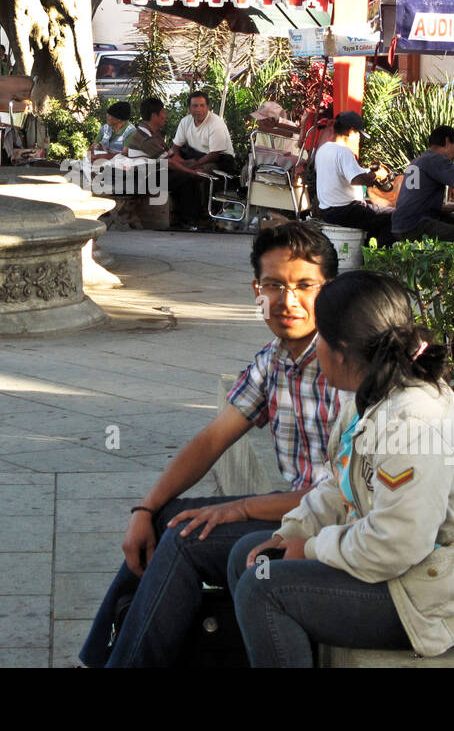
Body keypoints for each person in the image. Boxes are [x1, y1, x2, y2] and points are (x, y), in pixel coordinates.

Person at [80, 221, 350, 667]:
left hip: (337, 524)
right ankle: (98, 658)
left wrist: (239, 509)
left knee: (186, 539)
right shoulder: (274, 360)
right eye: (273, 285)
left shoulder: (345, 364)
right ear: (256, 290)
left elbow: (343, 495)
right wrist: (144, 510)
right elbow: (212, 439)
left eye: (306, 285)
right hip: (298, 507)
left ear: (332, 290)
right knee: (167, 518)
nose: (288, 300)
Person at [227, 270, 454, 667]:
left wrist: (311, 549)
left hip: (443, 595)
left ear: (342, 352)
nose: (315, 347)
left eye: (320, 338)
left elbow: (397, 544)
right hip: (409, 568)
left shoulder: (413, 423)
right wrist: (293, 533)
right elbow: (339, 484)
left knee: (264, 591)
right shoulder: (372, 391)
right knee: (248, 555)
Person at [391, 125, 454, 242]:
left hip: (400, 224)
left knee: (453, 221)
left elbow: (423, 205)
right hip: (417, 225)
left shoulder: (418, 161)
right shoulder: (436, 159)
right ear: (447, 141)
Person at [314, 111, 395, 248]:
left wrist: (368, 171)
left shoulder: (323, 149)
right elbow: (356, 179)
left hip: (329, 210)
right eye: (358, 134)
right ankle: (380, 257)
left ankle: (368, 252)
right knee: (395, 216)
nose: (358, 138)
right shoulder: (343, 151)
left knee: (376, 217)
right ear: (350, 131)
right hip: (346, 211)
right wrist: (377, 175)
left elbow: (341, 173)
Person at [166, 90, 237, 229]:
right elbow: (175, 147)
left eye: (202, 105)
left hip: (219, 161)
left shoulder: (215, 123)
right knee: (172, 171)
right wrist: (179, 161)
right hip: (193, 157)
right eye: (195, 106)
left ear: (207, 107)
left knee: (198, 174)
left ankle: (202, 217)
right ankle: (180, 216)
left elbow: (214, 154)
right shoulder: (185, 121)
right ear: (189, 108)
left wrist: (193, 165)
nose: (198, 109)